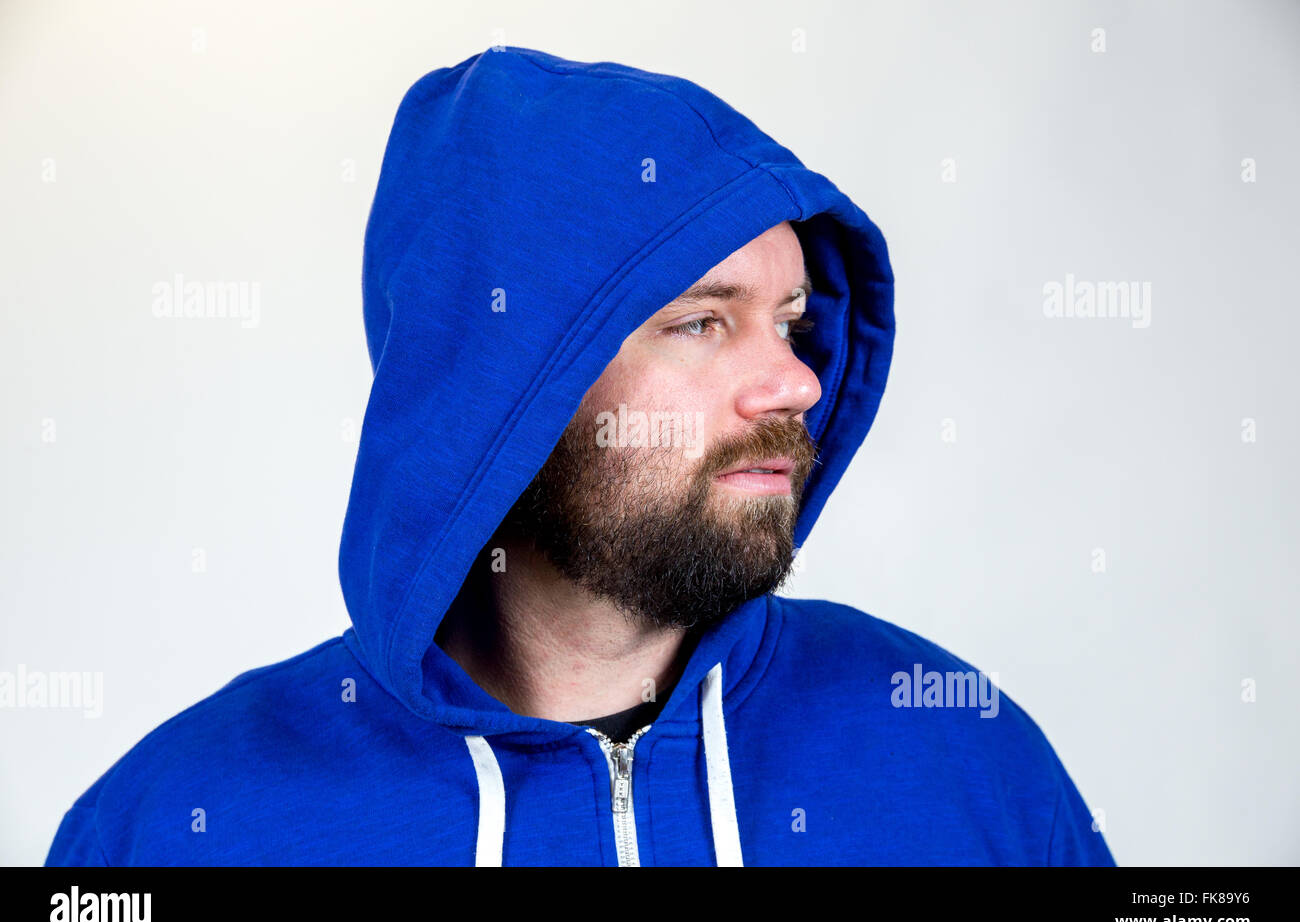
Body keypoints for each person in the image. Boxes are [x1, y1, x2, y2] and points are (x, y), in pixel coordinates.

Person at [45, 45, 1115, 866]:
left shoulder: (953, 753)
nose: (795, 381)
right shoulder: (181, 824)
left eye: (789, 321)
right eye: (701, 321)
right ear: (504, 391)